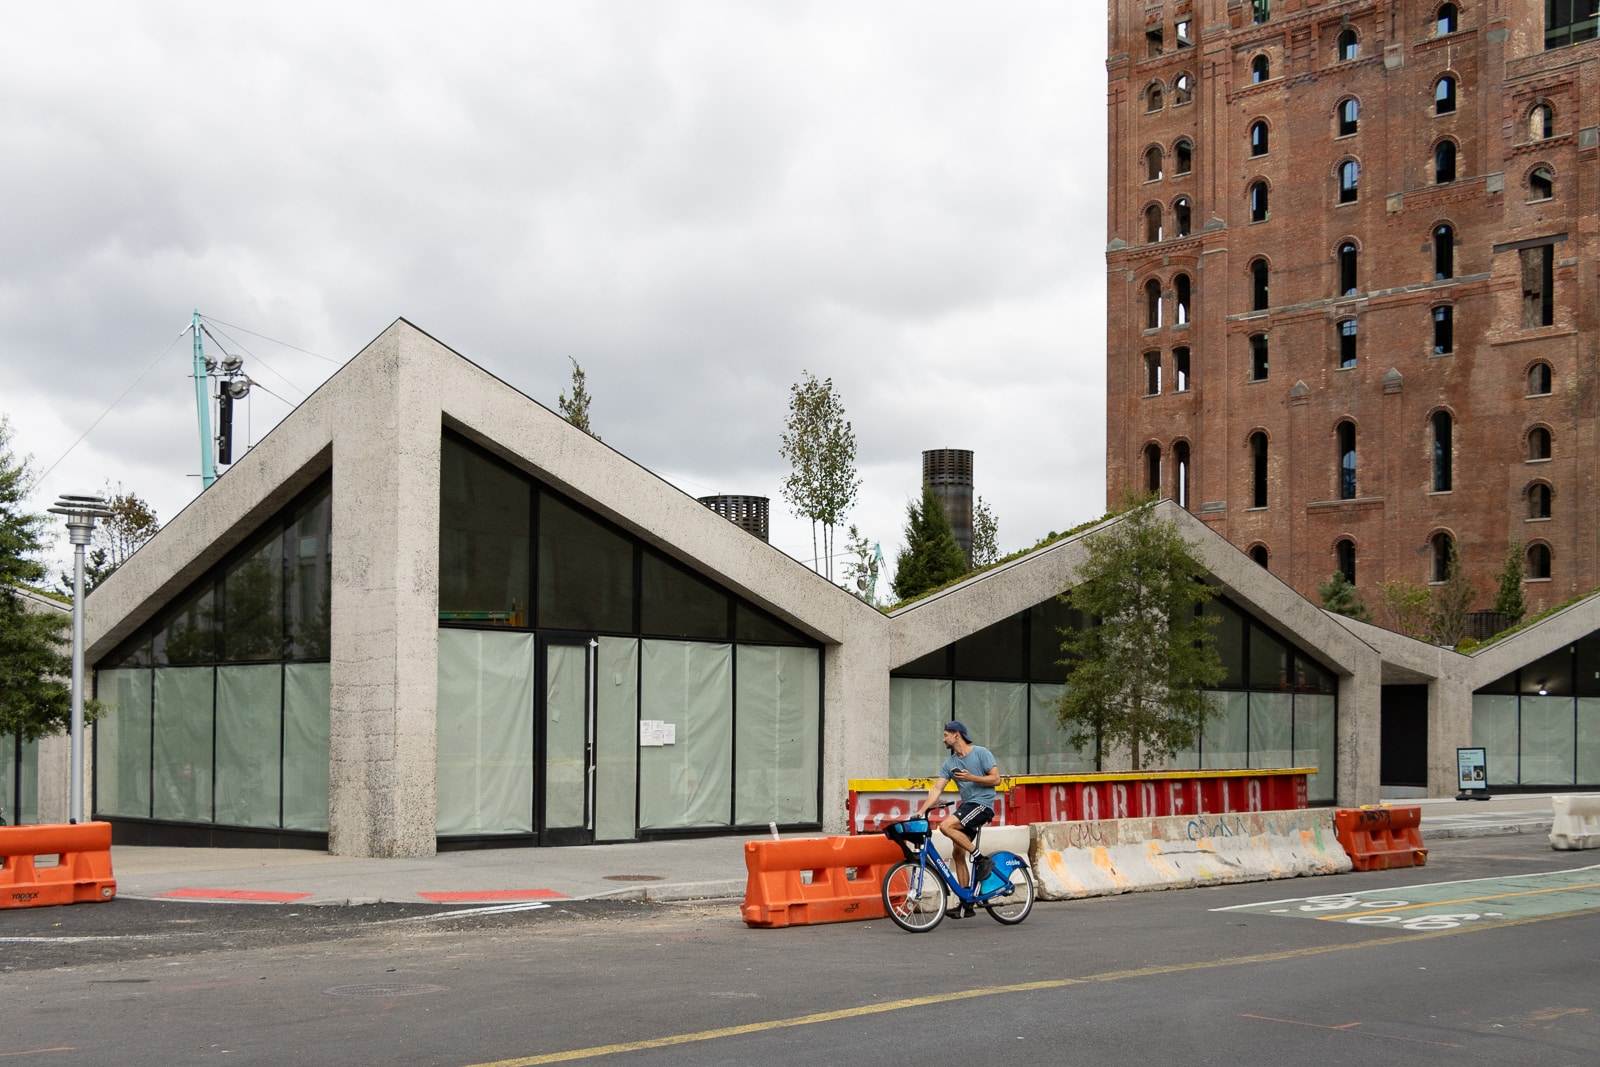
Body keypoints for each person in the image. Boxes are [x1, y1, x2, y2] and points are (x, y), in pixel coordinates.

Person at [914, 720, 1000, 918]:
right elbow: (937, 788)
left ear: (956, 735)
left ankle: (981, 860)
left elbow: (996, 779)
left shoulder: (981, 753)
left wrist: (972, 778)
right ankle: (966, 904)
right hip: (968, 806)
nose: (943, 739)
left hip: (982, 805)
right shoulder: (950, 763)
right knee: (958, 854)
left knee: (945, 826)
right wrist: (921, 811)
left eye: (946, 735)